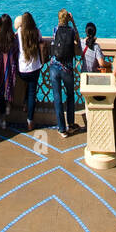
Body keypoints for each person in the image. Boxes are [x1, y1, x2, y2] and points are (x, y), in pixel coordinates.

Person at [49, 9, 81, 138]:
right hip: (67, 68)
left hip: (54, 67)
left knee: (57, 97)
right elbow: (78, 41)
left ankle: (62, 129)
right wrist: (73, 22)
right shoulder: (71, 31)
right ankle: (71, 124)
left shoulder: (55, 29)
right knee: (70, 95)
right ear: (68, 19)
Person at [17, 12, 44, 132]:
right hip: (34, 67)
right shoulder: (36, 31)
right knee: (32, 93)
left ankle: (24, 104)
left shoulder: (19, 32)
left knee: (25, 86)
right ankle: (30, 121)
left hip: (22, 69)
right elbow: (41, 42)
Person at [0, 14, 18, 129]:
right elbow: (16, 52)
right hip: (10, 69)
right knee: (9, 88)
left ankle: (2, 118)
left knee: (1, 93)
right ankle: (8, 106)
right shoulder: (13, 38)